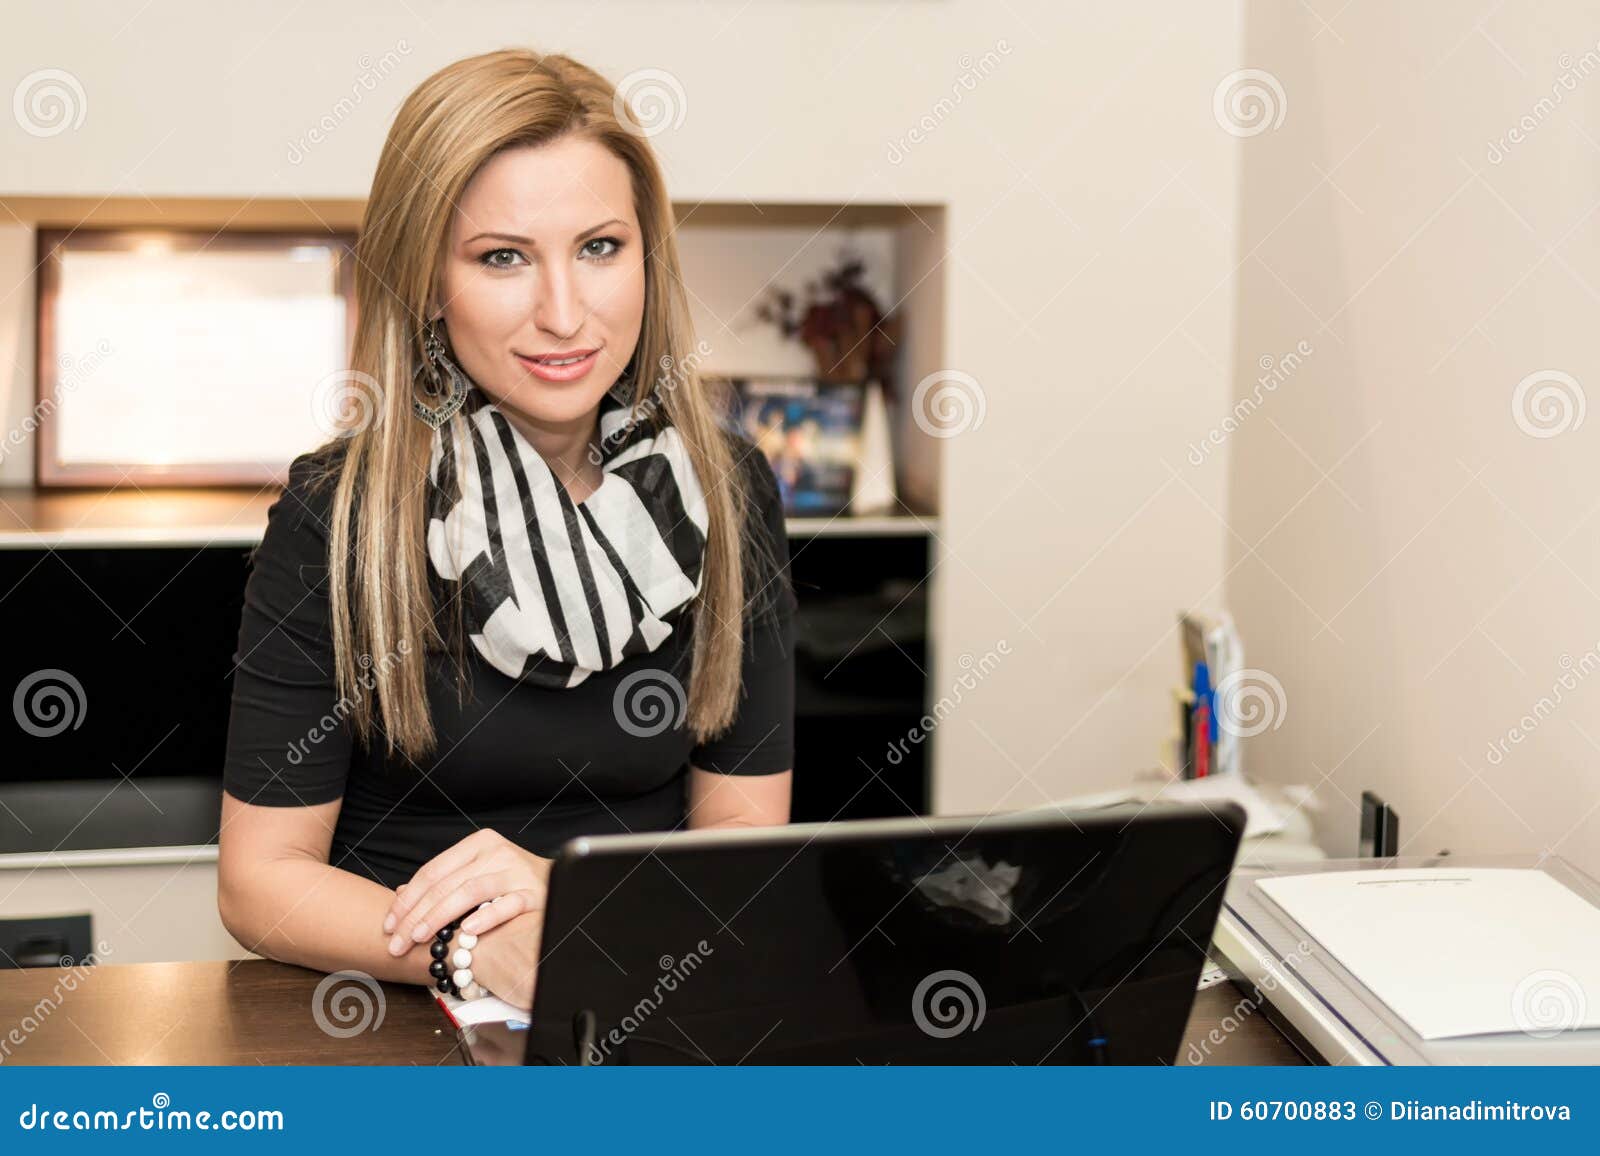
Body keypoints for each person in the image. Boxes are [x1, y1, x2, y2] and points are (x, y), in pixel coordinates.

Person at [217, 49, 796, 1012]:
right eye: (502, 257)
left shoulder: (727, 491)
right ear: (428, 280)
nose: (564, 314)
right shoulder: (339, 512)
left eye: (601, 247)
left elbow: (741, 841)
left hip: (649, 986)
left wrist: (578, 909)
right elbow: (261, 879)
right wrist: (470, 951)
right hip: (396, 1010)